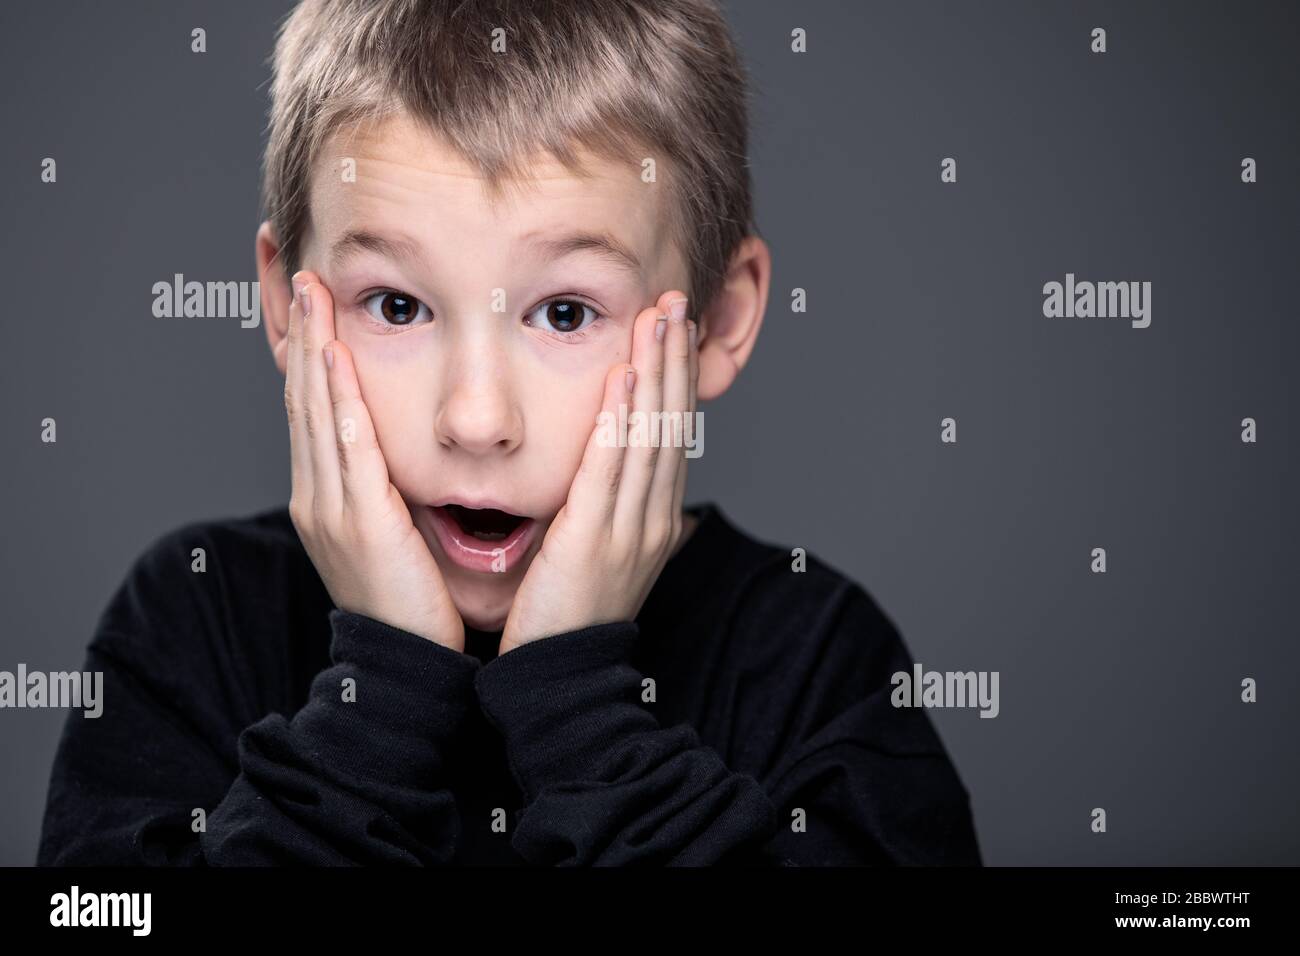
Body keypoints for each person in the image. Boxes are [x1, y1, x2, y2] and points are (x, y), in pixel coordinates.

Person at [37, 0, 980, 866]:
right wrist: (382, 698)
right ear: (287, 304)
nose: (477, 419)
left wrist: (578, 708)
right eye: (398, 305)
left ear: (718, 322)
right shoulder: (193, 619)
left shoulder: (819, 657)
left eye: (566, 314)